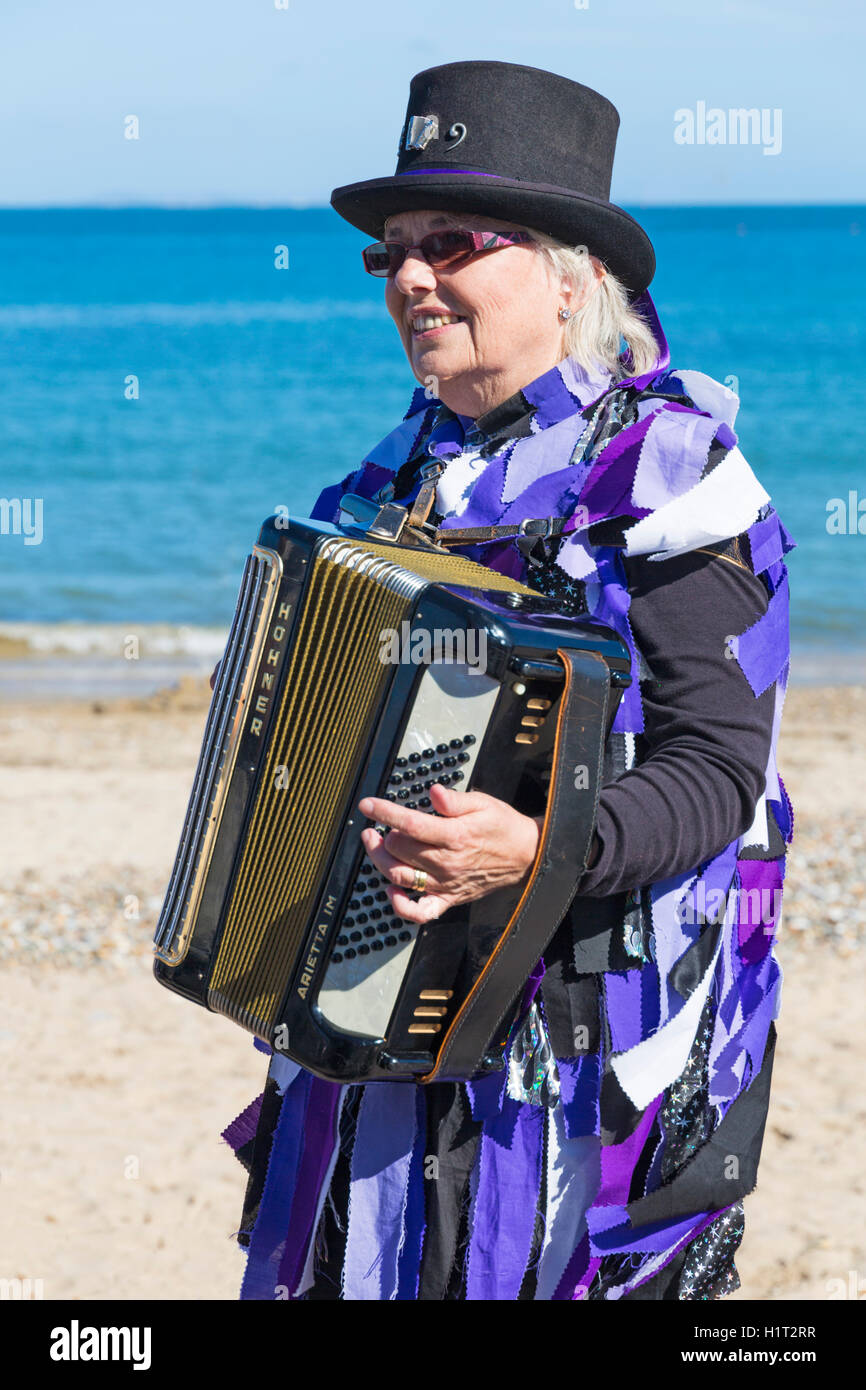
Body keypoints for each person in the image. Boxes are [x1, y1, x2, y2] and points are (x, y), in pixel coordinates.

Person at [222, 60, 793, 1301]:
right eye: (392, 254)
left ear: (569, 271)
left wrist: (536, 848)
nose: (410, 278)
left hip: (571, 1057)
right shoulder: (384, 483)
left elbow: (718, 772)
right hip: (373, 1024)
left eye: (452, 244)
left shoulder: (671, 470)